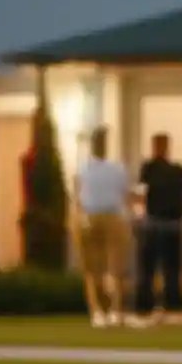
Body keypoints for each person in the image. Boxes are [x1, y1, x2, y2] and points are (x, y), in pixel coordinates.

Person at [73, 127, 132, 328]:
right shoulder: (83, 168)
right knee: (92, 268)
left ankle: (115, 310)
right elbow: (77, 193)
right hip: (91, 216)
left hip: (112, 215)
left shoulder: (116, 168)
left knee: (116, 267)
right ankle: (97, 311)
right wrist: (79, 216)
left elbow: (125, 194)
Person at [132, 133, 182, 326]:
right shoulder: (148, 169)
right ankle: (147, 301)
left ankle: (171, 300)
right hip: (154, 222)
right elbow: (141, 195)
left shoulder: (177, 171)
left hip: (169, 223)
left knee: (170, 268)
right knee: (151, 268)